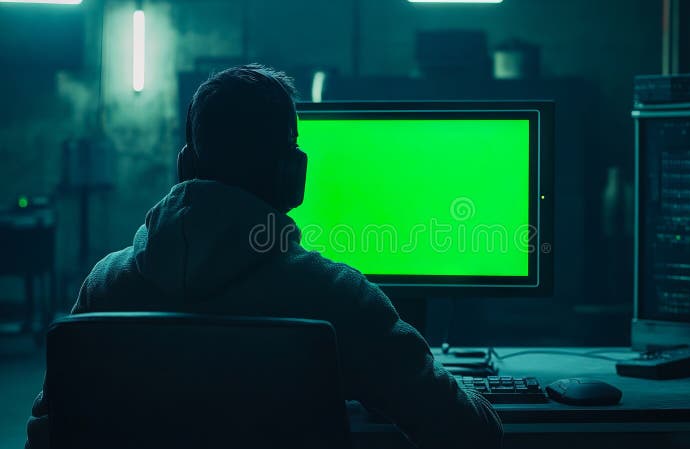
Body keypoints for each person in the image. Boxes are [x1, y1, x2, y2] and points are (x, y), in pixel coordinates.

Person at [26, 64, 502, 449]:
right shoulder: (337, 298)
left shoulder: (105, 285)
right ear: (293, 174)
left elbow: (48, 433)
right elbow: (467, 433)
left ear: (186, 167)